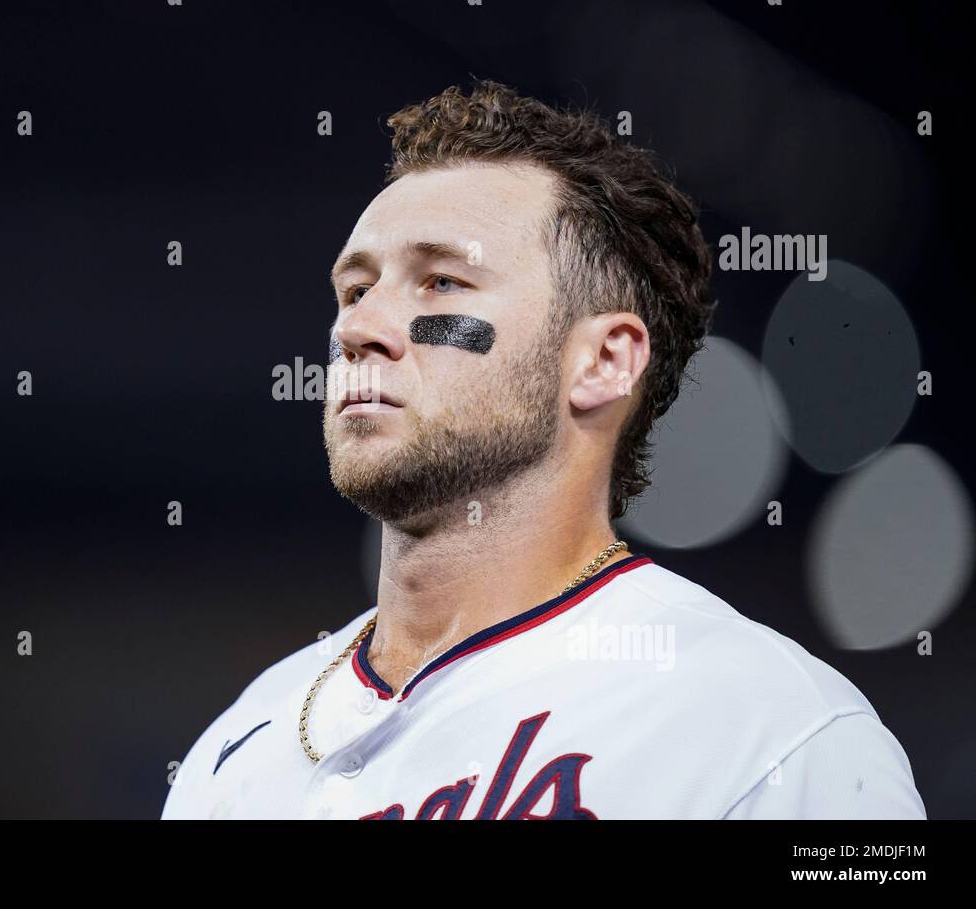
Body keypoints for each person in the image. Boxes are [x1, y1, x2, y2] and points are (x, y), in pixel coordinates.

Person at [161, 80, 925, 819]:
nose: (359, 329)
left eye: (442, 282)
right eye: (356, 290)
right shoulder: (235, 746)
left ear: (603, 362)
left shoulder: (776, 735)